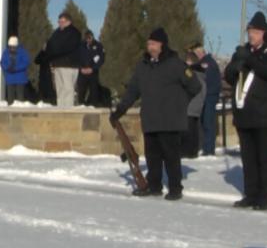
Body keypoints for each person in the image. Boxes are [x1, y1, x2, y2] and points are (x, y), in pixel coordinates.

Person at [110, 28, 201, 201]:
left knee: (171, 157)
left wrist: (180, 104)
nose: (150, 47)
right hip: (150, 119)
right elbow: (133, 91)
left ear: (162, 45)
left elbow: (195, 86)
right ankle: (154, 186)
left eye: (153, 43)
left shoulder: (176, 64)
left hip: (170, 120)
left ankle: (175, 188)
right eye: (149, 43)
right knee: (152, 156)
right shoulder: (143, 66)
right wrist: (120, 110)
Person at [223, 12, 267, 211]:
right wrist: (234, 67)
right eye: (249, 31)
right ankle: (250, 194)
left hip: (265, 114)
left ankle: (265, 196)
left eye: (255, 32)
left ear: (264, 33)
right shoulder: (244, 51)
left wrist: (250, 60)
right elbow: (229, 77)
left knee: (264, 157)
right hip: (245, 114)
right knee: (248, 158)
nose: (251, 35)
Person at [36, 12, 84, 107]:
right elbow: (50, 44)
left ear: (69, 22)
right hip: (57, 64)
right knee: (60, 89)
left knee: (68, 88)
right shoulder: (57, 32)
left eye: (63, 21)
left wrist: (54, 50)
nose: (60, 23)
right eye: (59, 22)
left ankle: (68, 109)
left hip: (69, 65)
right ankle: (60, 108)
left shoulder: (74, 32)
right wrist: (49, 53)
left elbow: (67, 47)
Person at [188, 43, 222, 156]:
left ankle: (209, 149)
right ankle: (206, 147)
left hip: (209, 96)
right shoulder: (205, 62)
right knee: (205, 122)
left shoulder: (207, 63)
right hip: (207, 96)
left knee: (208, 122)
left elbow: (204, 79)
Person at [0, 36, 34, 105]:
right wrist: (7, 68)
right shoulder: (6, 52)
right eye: (10, 46)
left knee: (20, 98)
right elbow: (2, 62)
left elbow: (26, 62)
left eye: (13, 46)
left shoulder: (22, 52)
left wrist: (16, 68)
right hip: (10, 78)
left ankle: (19, 109)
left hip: (20, 79)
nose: (11, 48)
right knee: (10, 98)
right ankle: (10, 109)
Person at [79, 30, 106, 106]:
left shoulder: (98, 46)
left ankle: (94, 106)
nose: (88, 39)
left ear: (92, 37)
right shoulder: (80, 46)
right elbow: (76, 58)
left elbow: (101, 59)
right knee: (81, 92)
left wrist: (93, 69)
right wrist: (81, 68)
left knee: (94, 92)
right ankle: (81, 106)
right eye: (86, 38)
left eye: (90, 37)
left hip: (93, 73)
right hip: (82, 73)